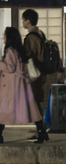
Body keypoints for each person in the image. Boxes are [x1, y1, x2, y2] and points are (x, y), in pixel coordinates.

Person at [0, 27, 44, 144]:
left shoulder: (10, 50)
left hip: (10, 85)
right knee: (31, 109)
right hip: (20, 84)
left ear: (9, 37)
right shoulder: (19, 50)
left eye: (4, 35)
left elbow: (10, 67)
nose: (3, 37)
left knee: (3, 109)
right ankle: (42, 132)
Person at [22, 9, 56, 142]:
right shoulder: (40, 33)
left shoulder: (31, 37)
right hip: (41, 73)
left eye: (23, 20)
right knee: (35, 102)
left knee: (34, 103)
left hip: (34, 74)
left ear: (28, 21)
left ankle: (41, 132)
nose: (23, 22)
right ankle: (40, 131)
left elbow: (29, 55)